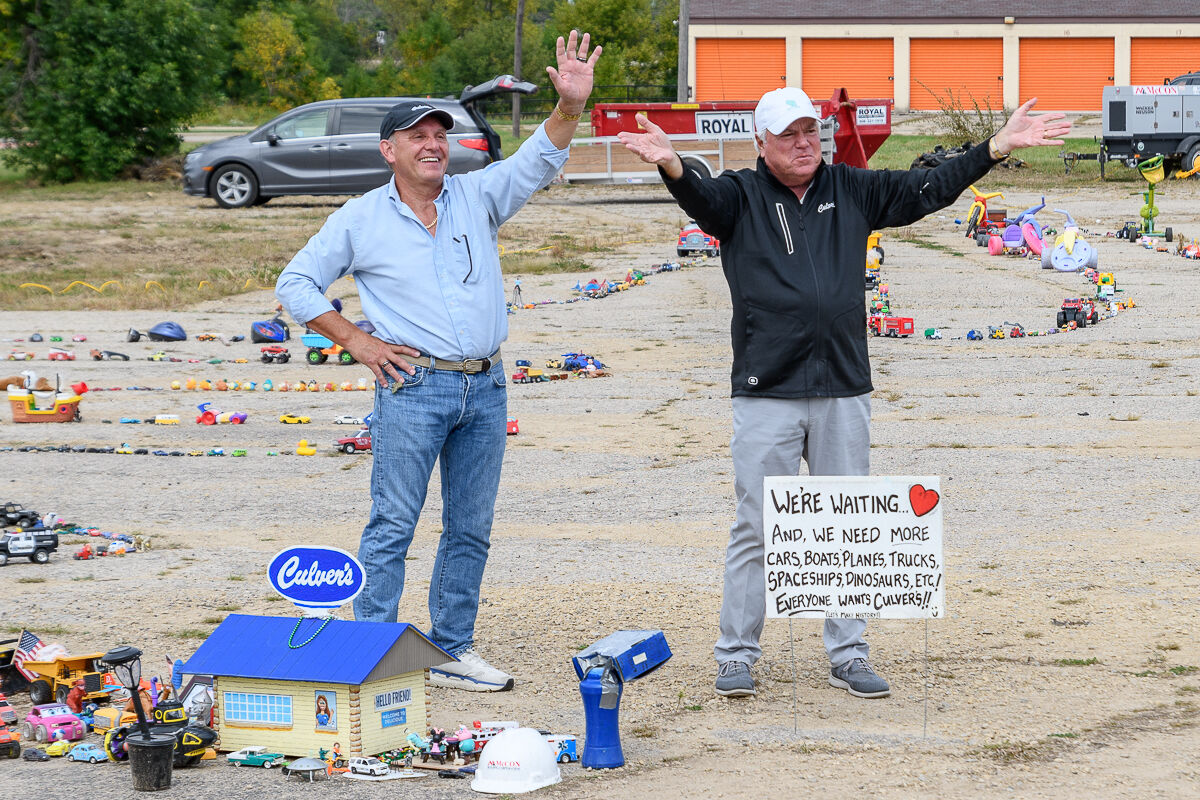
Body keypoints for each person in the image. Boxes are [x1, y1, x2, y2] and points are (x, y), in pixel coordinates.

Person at [618, 87, 1069, 699]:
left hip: (842, 386)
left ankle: (848, 653)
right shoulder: (740, 198)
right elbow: (699, 195)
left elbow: (923, 190)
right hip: (767, 390)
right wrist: (673, 164)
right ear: (762, 143)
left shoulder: (852, 189)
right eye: (788, 134)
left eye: (811, 131)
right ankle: (736, 655)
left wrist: (993, 148)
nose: (804, 143)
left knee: (842, 526)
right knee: (756, 524)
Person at [276, 30, 602, 692]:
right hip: (413, 387)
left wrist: (569, 108)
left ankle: (450, 649)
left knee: (470, 529)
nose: (432, 144)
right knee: (393, 524)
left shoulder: (477, 196)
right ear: (388, 149)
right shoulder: (360, 219)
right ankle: (369, 652)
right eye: (417, 135)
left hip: (485, 387)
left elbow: (539, 159)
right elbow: (296, 285)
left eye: (440, 134)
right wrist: (358, 342)